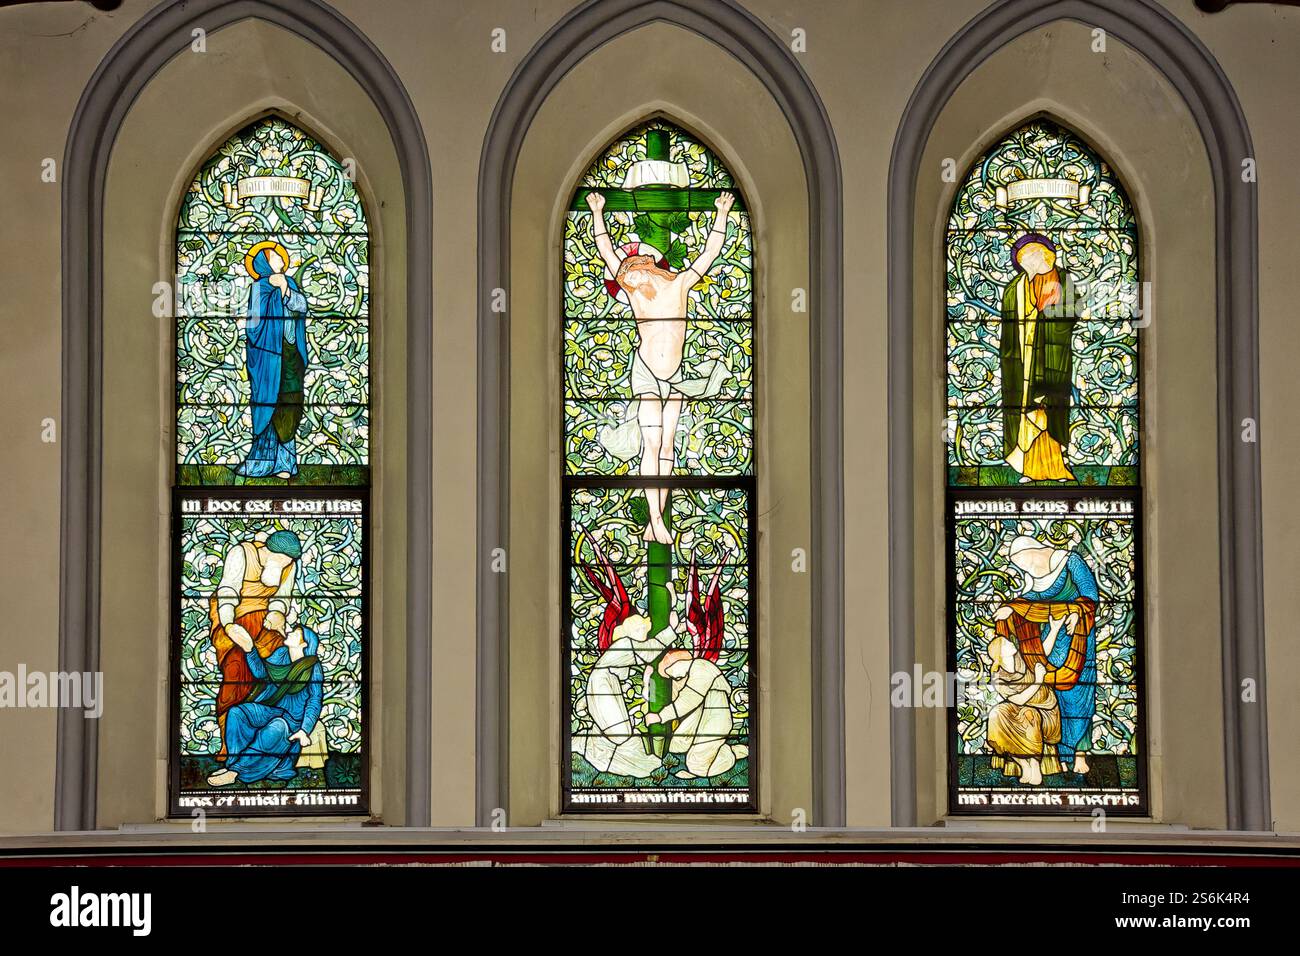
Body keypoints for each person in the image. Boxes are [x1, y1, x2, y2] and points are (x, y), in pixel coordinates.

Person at [585, 190, 734, 544]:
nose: (626, 279)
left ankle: (657, 519)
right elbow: (606, 252)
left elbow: (710, 254)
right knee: (652, 444)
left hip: (677, 376)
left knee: (668, 445)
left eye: (630, 272)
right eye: (625, 277)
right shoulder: (636, 295)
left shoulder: (680, 283)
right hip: (647, 373)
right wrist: (597, 212)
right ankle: (654, 517)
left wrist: (723, 213)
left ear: (645, 268)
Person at [992, 535, 1099, 775]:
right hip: (1049, 642)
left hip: (1078, 639)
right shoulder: (1033, 580)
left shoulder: (1071, 562)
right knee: (1055, 699)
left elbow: (1091, 596)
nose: (1026, 568)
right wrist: (1011, 608)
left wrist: (1077, 614)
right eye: (1020, 566)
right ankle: (1061, 756)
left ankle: (1079, 754)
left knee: (1079, 696)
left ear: (1036, 550)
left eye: (1025, 561)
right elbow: (1027, 605)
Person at [207, 529, 301, 763]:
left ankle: (269, 741)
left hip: (267, 622)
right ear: (267, 551)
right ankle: (229, 744)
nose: (283, 566)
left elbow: (283, 597)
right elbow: (227, 590)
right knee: (236, 672)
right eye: (279, 560)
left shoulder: (290, 566)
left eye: (287, 562)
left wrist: (278, 612)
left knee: (277, 668)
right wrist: (229, 626)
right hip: (231, 617)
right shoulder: (242, 553)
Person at [999, 233, 1076, 482]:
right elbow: (1009, 328)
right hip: (1025, 359)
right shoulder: (1017, 287)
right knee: (1026, 412)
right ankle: (1029, 469)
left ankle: (1057, 468)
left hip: (1054, 359)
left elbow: (1071, 314)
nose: (1027, 263)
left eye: (1030, 256)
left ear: (1044, 254)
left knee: (1051, 410)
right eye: (1022, 259)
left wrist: (1048, 313)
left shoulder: (1064, 279)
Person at [207, 625, 324, 787]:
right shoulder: (281, 654)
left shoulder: (312, 667)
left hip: (292, 720)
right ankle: (232, 764)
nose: (289, 632)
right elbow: (262, 673)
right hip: (271, 709)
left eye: (296, 634)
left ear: (304, 644)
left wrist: (304, 730)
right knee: (237, 713)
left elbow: (315, 700)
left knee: (278, 727)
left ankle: (236, 771)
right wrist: (250, 649)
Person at [237, 241, 309, 479]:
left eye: (279, 255)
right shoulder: (258, 288)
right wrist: (271, 289)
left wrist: (286, 291)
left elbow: (302, 306)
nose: (280, 258)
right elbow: (254, 326)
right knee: (269, 405)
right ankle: (263, 463)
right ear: (264, 263)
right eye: (274, 256)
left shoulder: (290, 283)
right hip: (268, 359)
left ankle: (286, 463)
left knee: (291, 402)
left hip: (290, 356)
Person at [579, 615, 674, 778]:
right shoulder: (625, 644)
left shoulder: (627, 646)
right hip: (602, 686)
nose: (643, 632)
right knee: (620, 733)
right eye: (638, 629)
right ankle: (587, 746)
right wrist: (671, 630)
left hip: (608, 684)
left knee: (617, 730)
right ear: (628, 632)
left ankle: (593, 745)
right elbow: (649, 652)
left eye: (644, 627)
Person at [645, 649, 747, 779]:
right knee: (676, 744)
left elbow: (689, 699)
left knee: (697, 765)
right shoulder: (686, 673)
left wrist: (660, 716)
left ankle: (731, 753)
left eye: (670, 672)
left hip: (716, 717)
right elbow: (679, 696)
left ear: (677, 662)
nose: (673, 677)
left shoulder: (701, 668)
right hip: (702, 713)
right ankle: (713, 749)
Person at [984, 632, 1062, 785]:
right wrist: (1038, 680)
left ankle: (1035, 764)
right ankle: (1024, 764)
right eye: (1005, 643)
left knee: (1028, 714)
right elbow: (1019, 700)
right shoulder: (998, 676)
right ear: (999, 654)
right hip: (1020, 706)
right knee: (996, 713)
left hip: (1045, 709)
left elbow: (1041, 652)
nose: (1010, 643)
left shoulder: (1023, 656)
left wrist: (1054, 629)